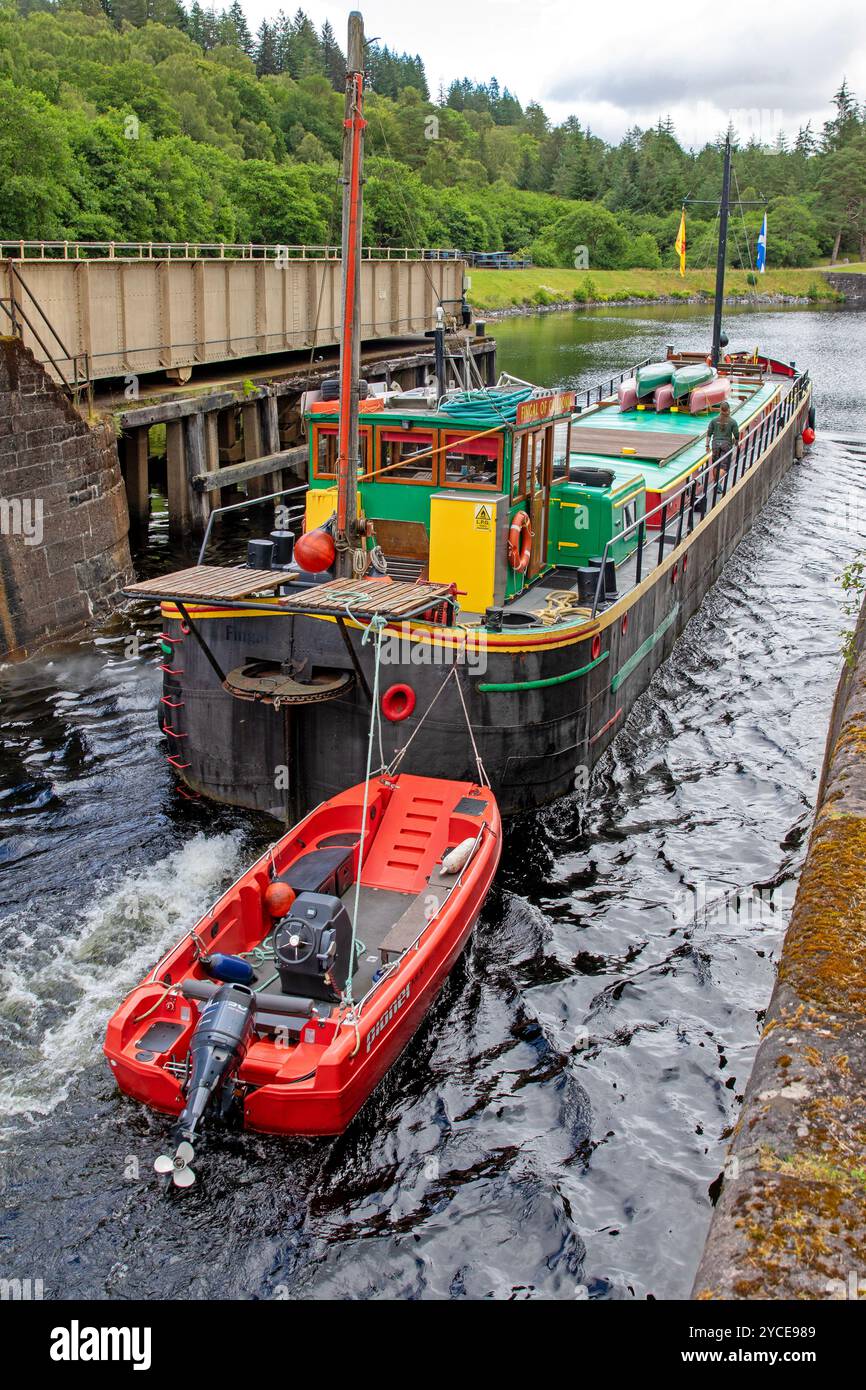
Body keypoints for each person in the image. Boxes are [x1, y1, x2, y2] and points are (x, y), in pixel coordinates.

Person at [706, 401, 739, 484]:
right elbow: (736, 435)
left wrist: (707, 445)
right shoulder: (733, 422)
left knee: (716, 464)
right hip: (726, 444)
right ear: (729, 409)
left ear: (720, 409)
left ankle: (716, 484)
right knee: (724, 466)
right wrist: (736, 442)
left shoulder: (713, 420)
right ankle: (718, 483)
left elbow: (709, 433)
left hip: (715, 444)